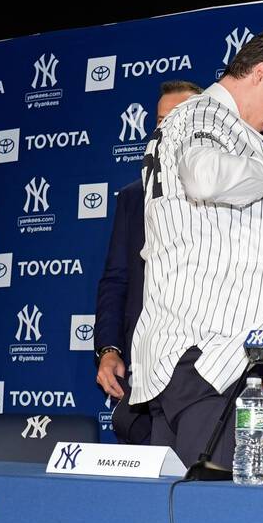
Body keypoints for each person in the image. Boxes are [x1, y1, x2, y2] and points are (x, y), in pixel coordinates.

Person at [130, 25, 263, 467]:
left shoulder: (204, 123)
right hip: (202, 349)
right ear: (260, 74)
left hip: (187, 350)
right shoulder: (204, 116)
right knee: (206, 510)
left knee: (173, 504)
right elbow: (205, 177)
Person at [94, 80, 203, 443]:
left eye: (177, 118)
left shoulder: (226, 192)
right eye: (160, 120)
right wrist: (109, 350)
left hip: (203, 368)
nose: (165, 129)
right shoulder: (132, 197)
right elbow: (116, 280)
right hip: (146, 366)